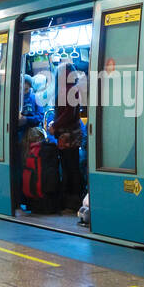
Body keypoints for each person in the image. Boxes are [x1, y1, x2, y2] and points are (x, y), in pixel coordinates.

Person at [51, 62, 84, 214]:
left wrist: (55, 125)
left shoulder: (71, 90)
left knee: (70, 168)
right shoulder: (69, 89)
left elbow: (69, 114)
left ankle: (73, 203)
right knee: (69, 167)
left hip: (69, 135)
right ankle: (70, 202)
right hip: (67, 135)